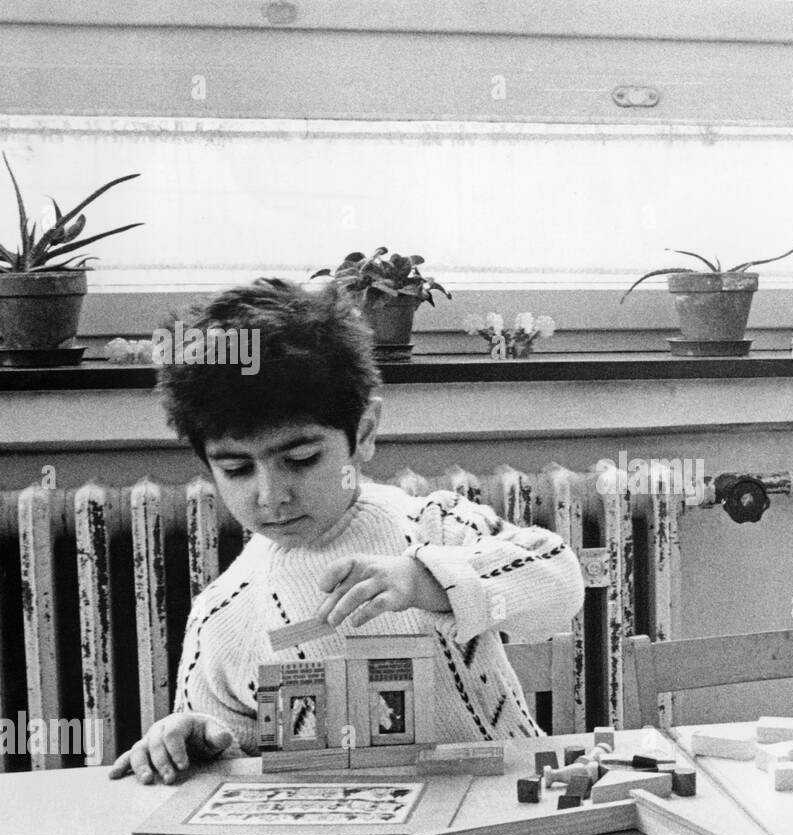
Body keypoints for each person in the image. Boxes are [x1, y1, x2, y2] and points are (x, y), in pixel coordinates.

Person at [110, 278, 584, 784]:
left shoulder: (434, 525)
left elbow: (560, 581)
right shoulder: (221, 614)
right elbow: (228, 759)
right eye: (237, 469)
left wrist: (429, 580)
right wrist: (192, 739)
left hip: (503, 805)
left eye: (301, 459)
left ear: (363, 433)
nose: (271, 494)